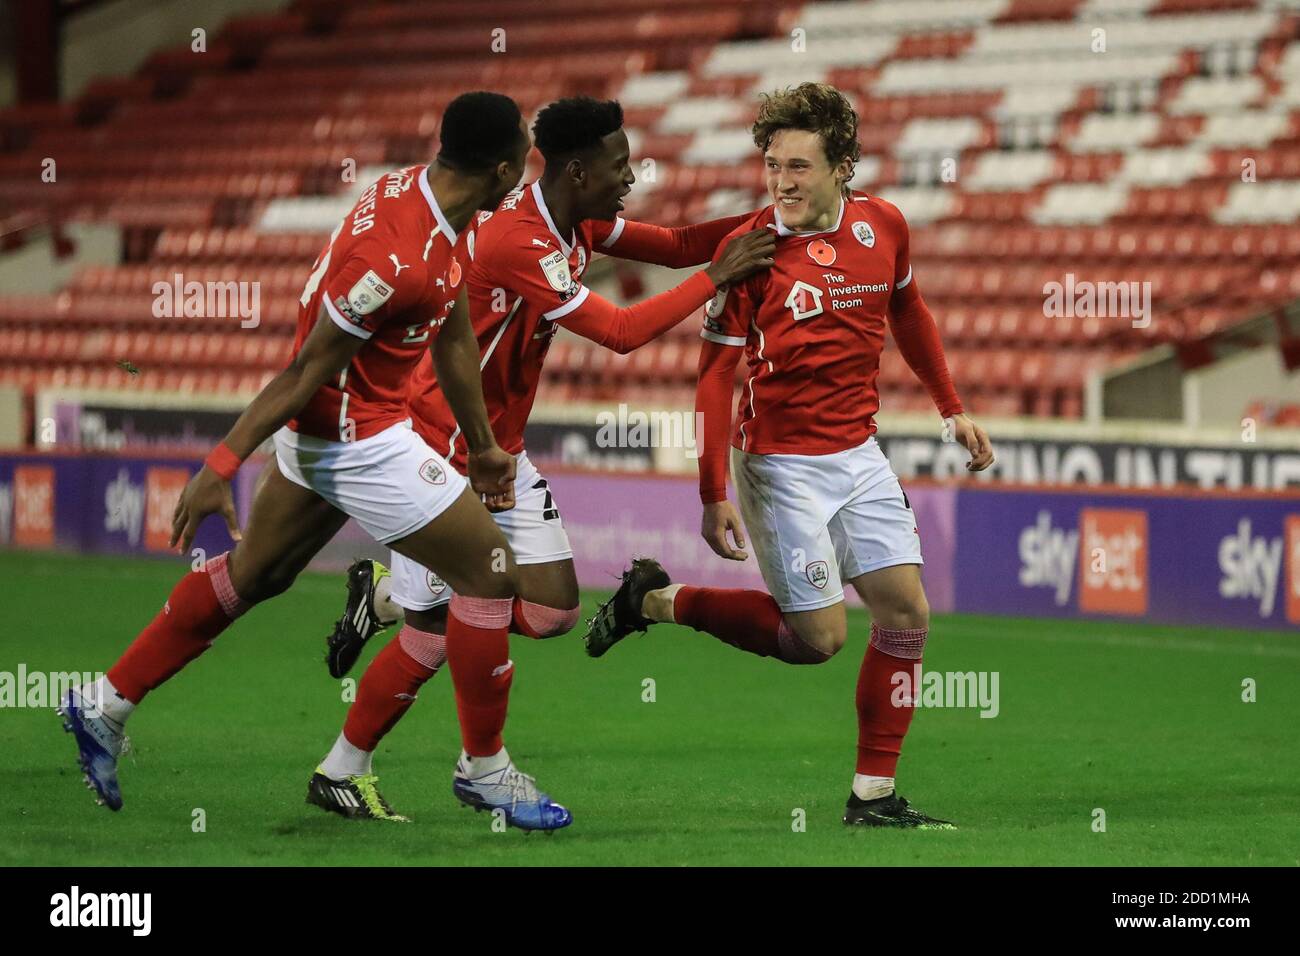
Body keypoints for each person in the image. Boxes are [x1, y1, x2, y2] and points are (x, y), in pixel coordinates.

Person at [59, 91, 573, 831]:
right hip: (354, 439)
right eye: (524, 154)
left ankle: (102, 704)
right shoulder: (391, 257)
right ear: (499, 168)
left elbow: (452, 331)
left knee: (254, 577)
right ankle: (485, 769)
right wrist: (220, 463)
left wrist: (483, 444)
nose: (528, 168)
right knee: (489, 567)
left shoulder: (426, 200)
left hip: (341, 432)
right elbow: (305, 372)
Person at [305, 96, 774, 821]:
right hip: (446, 449)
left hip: (500, 453)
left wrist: (766, 226)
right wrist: (719, 276)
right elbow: (618, 330)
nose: (630, 177)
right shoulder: (519, 239)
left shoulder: (577, 218)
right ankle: (439, 765)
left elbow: (681, 242)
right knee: (444, 630)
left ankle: (390, 602)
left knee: (552, 610)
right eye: (619, 165)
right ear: (578, 170)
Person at [585, 83, 994, 829]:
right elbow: (712, 374)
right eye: (772, 165)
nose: (781, 182)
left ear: (844, 166)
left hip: (858, 452)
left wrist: (951, 405)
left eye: (798, 166)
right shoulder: (753, 251)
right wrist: (712, 492)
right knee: (819, 642)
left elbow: (909, 309)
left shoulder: (886, 227)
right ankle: (652, 600)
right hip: (779, 464)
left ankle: (873, 796)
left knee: (907, 613)